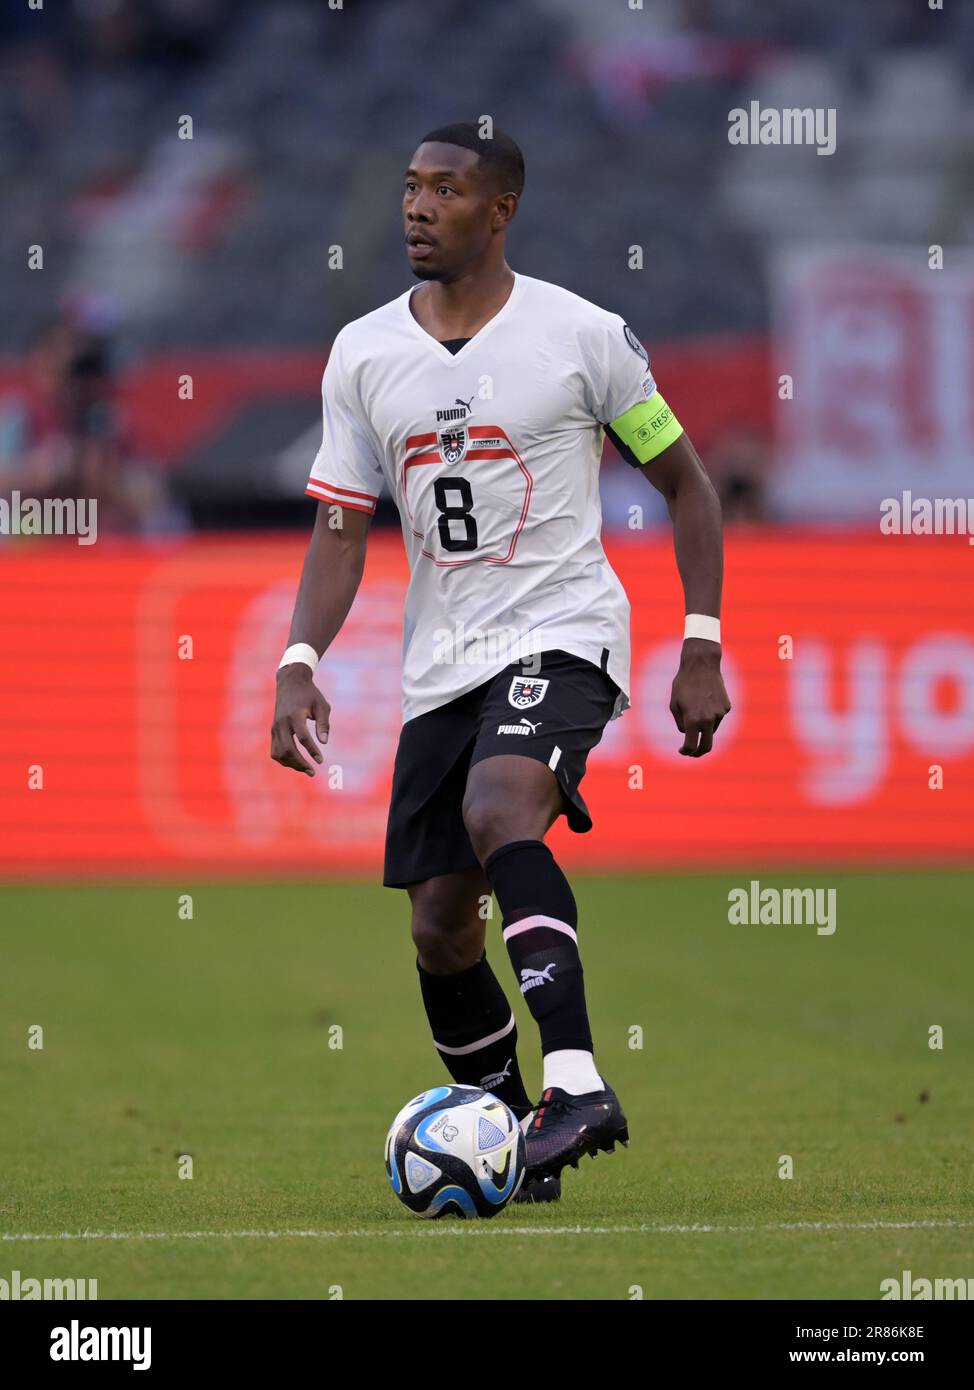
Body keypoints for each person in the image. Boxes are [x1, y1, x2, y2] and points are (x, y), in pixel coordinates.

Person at [271, 122, 730, 1203]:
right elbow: (341, 530)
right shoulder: (364, 351)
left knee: (497, 807)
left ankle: (574, 1081)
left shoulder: (583, 335)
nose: (416, 207)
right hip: (443, 661)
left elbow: (688, 486)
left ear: (500, 210)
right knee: (438, 927)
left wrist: (700, 642)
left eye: (443, 189)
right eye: (408, 187)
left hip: (564, 629)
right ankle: (520, 1147)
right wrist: (299, 656)